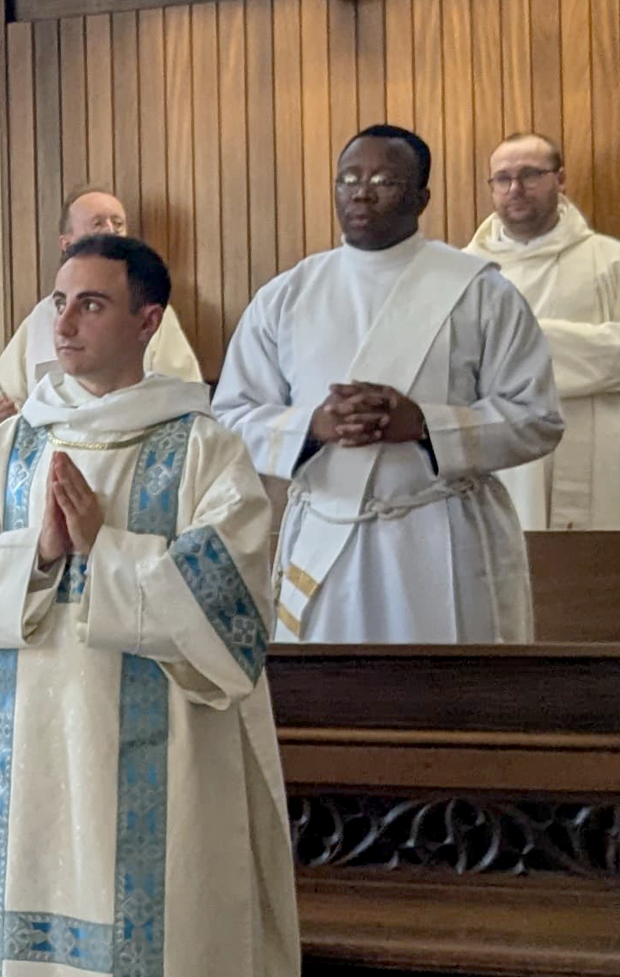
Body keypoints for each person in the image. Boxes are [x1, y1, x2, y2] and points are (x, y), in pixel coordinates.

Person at [0, 234, 298, 977]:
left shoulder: (201, 449)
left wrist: (107, 550)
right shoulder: (11, 448)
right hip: (30, 766)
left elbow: (235, 603)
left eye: (92, 303)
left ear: (148, 320)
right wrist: (41, 556)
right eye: (60, 302)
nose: (64, 324)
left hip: (169, 768)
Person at [212, 124, 564, 644]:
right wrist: (312, 426)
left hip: (441, 535)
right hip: (326, 538)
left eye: (383, 179)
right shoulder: (287, 295)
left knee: (447, 706)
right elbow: (231, 415)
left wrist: (425, 426)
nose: (361, 191)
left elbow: (537, 417)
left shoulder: (479, 292)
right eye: (348, 178)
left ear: (421, 197)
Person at [466, 133, 620, 530]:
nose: (516, 189)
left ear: (560, 179)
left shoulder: (608, 260)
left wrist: (530, 345)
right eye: (503, 178)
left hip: (597, 460)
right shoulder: (465, 275)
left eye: (530, 175)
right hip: (508, 463)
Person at [0, 187, 203, 433]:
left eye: (117, 223)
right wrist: (11, 421)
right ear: (67, 244)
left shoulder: (147, 312)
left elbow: (179, 395)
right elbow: (0, 395)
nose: (110, 230)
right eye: (97, 223)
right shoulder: (41, 318)